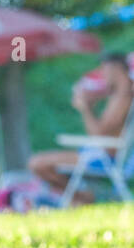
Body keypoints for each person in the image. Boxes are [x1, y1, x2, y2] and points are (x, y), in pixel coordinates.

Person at [28, 53, 134, 203]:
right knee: (36, 162)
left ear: (115, 68)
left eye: (104, 69)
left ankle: (82, 198)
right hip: (99, 153)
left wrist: (85, 107)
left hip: (103, 157)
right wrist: (90, 105)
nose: (103, 75)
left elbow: (98, 134)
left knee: (37, 163)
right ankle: (81, 198)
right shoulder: (119, 96)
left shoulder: (123, 97)